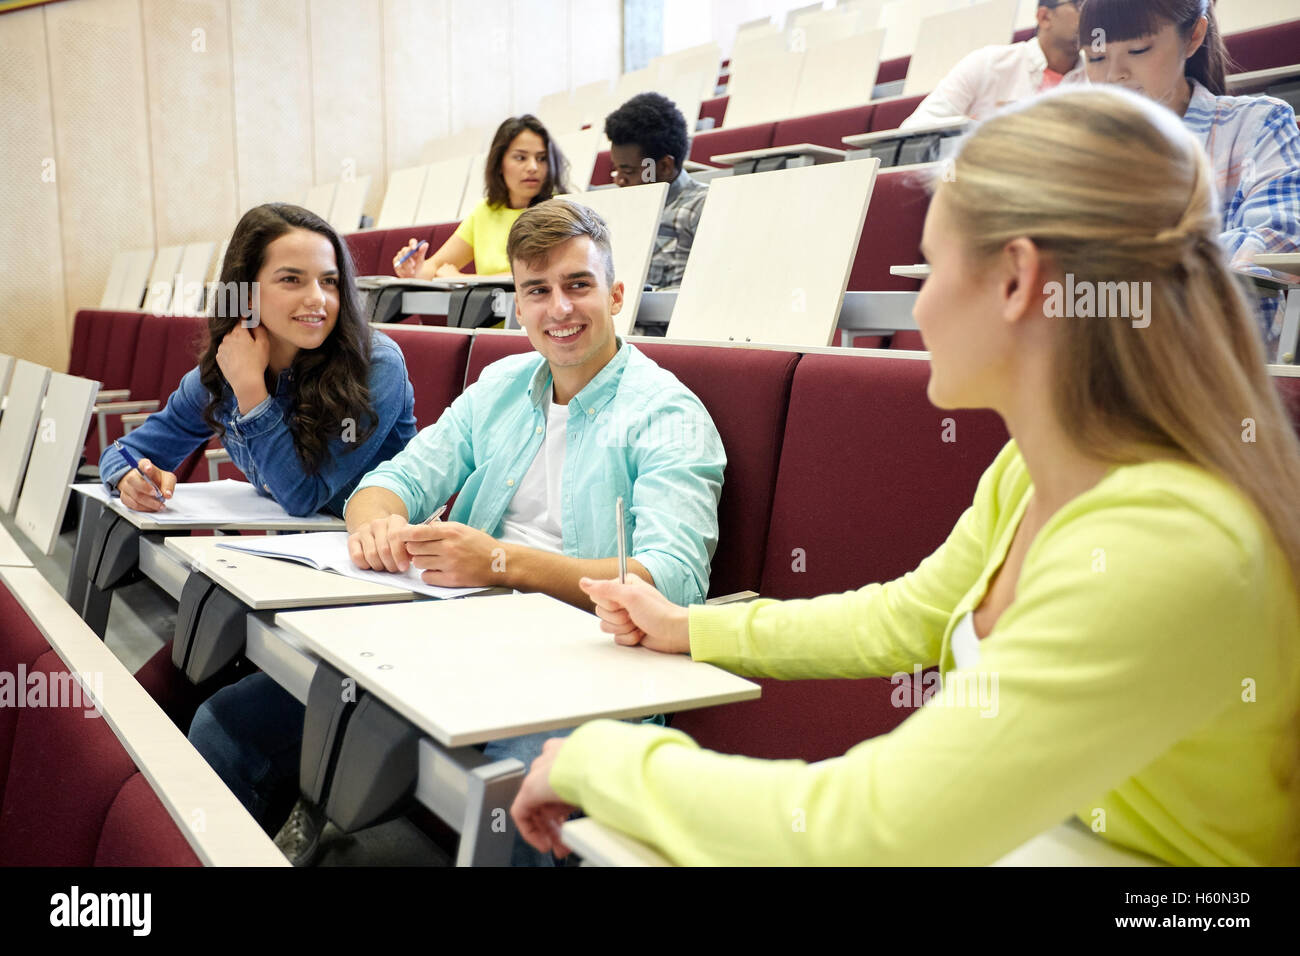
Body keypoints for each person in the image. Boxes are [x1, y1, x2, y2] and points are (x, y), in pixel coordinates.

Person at [510, 87, 1300, 867]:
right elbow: (909, 616)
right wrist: (692, 628)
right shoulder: (1036, 463)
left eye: (928, 269)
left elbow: (867, 831)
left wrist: (597, 760)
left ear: (1017, 280)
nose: (914, 312)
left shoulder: (1166, 540)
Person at [189, 198, 726, 865]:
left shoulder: (669, 413)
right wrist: (379, 525)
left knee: (513, 790)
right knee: (226, 724)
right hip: (452, 634)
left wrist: (503, 563)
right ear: (518, 306)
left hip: (590, 669)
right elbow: (390, 486)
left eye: (578, 285)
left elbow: (670, 584)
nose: (558, 308)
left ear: (616, 295)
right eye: (537, 291)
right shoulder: (501, 386)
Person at [98, 203, 417, 517]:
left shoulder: (376, 365)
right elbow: (122, 452)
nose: (317, 298)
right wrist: (131, 478)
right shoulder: (224, 371)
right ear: (246, 294)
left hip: (387, 556)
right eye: (291, 279)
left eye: (329, 281)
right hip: (294, 553)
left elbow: (304, 497)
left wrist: (251, 391)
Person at [1081, 0, 1300, 355]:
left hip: (1217, 365)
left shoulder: (1258, 123)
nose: (1113, 75)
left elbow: (1277, 243)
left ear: (1193, 37)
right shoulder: (1078, 151)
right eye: (1096, 57)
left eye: (1138, 50)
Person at [392, 115, 570, 279]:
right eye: (521, 157)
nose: (533, 167)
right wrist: (414, 269)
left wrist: (464, 280)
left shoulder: (558, 211)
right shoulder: (485, 212)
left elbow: (540, 277)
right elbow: (436, 266)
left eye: (542, 158)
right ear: (499, 164)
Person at [900, 0, 1084, 130]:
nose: (1091, 15)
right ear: (1044, 17)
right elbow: (914, 128)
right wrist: (983, 128)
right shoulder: (988, 63)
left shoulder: (1099, 76)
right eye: (1080, 4)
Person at [603, 92, 708, 291]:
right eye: (616, 169)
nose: (619, 180)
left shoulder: (701, 208)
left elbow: (698, 293)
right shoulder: (619, 209)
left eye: (628, 171)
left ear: (664, 166)